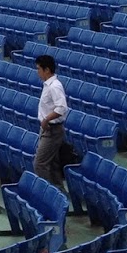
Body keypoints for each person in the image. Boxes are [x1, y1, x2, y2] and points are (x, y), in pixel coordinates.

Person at [33, 54, 69, 185]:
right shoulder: (48, 85)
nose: (37, 72)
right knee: (52, 166)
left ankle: (47, 192)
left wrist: (46, 119)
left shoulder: (54, 86)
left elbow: (62, 107)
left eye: (39, 69)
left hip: (53, 130)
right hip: (48, 129)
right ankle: (58, 191)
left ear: (47, 70)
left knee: (40, 164)